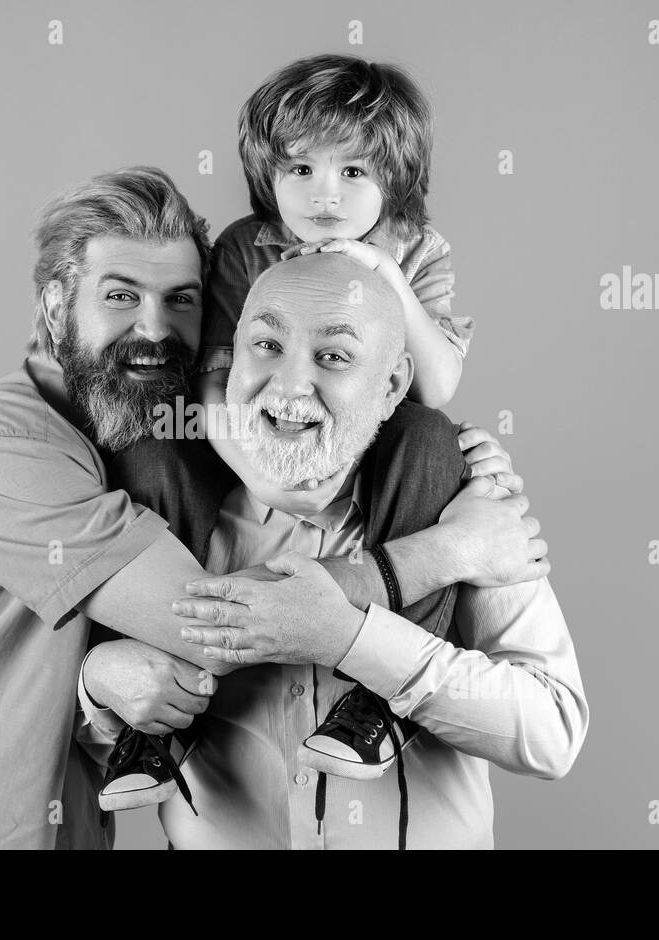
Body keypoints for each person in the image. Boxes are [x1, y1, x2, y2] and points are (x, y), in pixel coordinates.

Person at [0, 167, 542, 848]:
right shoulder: (3, 448)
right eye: (120, 296)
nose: (155, 329)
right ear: (52, 305)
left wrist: (97, 682)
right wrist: (452, 551)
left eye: (182, 300)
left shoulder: (141, 443)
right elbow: (213, 626)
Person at [80, 253, 588, 848]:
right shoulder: (155, 507)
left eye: (334, 357)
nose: (291, 385)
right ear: (228, 361)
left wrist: (351, 640)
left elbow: (552, 732)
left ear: (393, 383)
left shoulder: (458, 503)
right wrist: (98, 685)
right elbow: (54, 724)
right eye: (266, 345)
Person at [98, 53, 494, 802]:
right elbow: (218, 378)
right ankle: (158, 707)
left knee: (432, 438)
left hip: (369, 443)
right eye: (301, 169)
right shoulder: (248, 247)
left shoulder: (416, 252)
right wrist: (261, 476)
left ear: (395, 179)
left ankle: (378, 703)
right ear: (266, 174)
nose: (323, 195)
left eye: (353, 173)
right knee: (159, 436)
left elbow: (435, 385)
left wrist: (391, 284)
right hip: (248, 435)